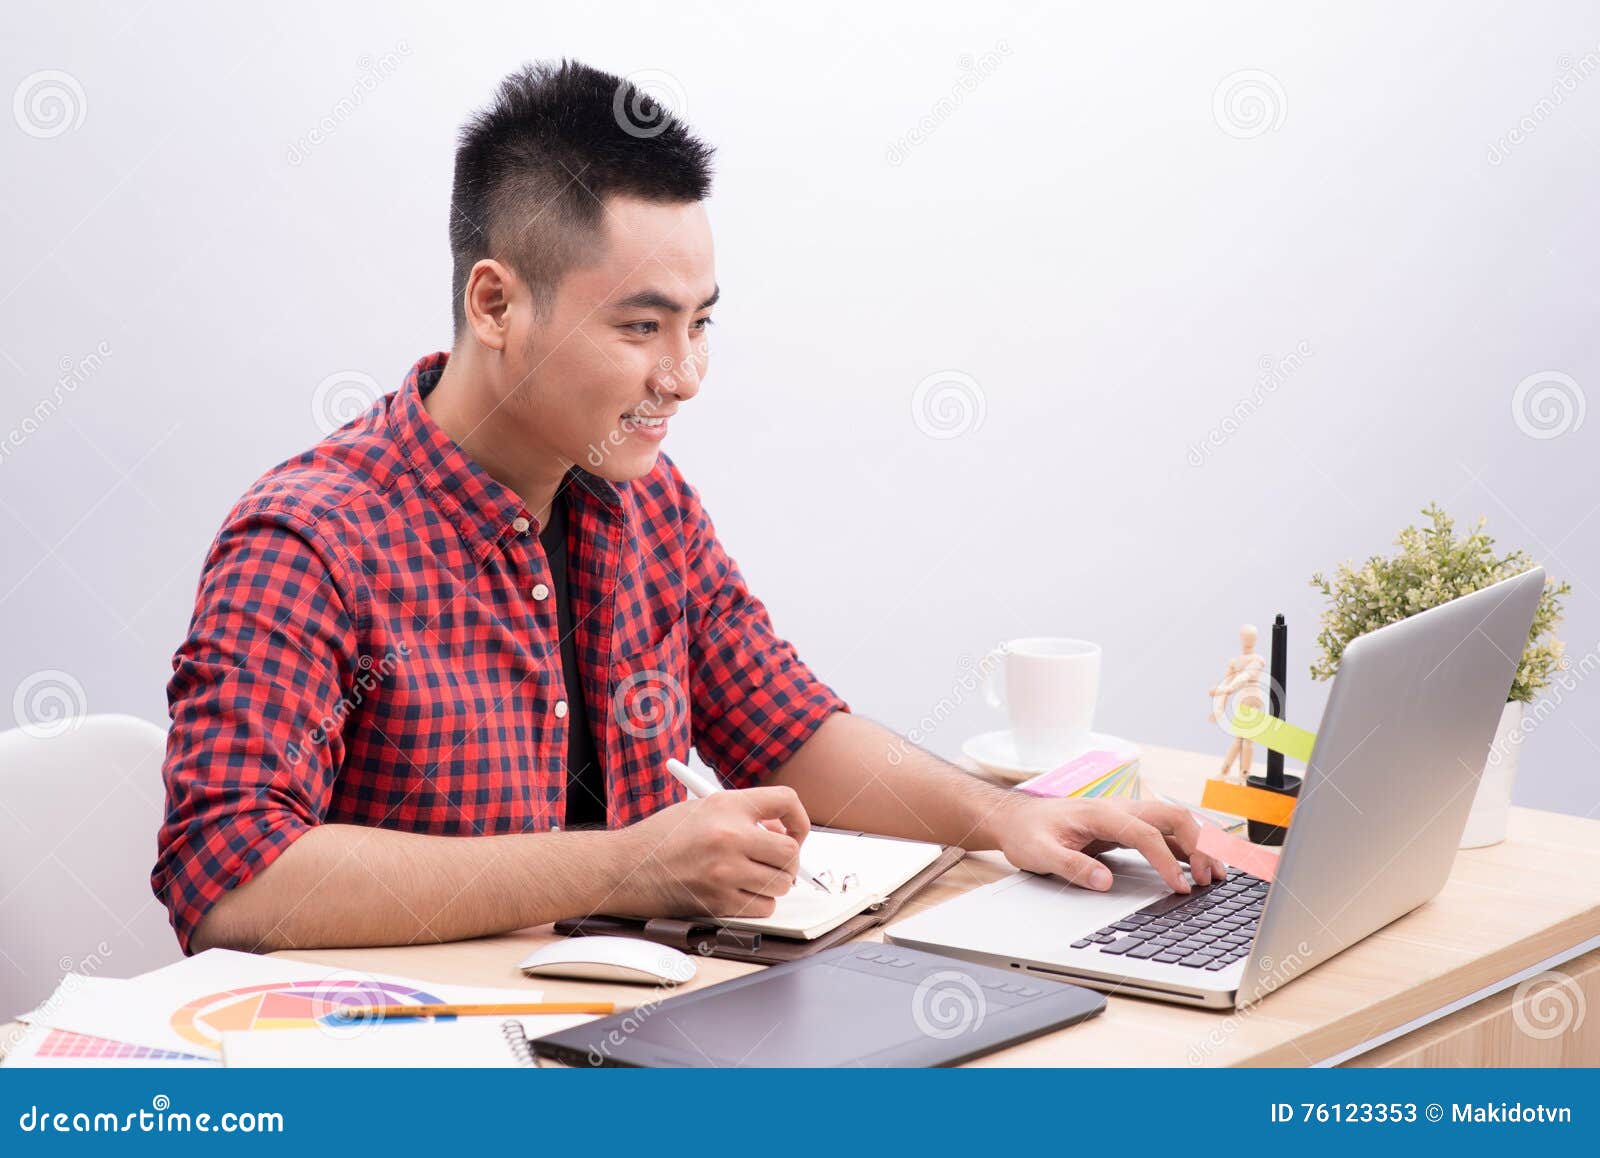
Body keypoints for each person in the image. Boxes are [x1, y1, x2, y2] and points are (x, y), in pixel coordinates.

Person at [151, 59, 1226, 955]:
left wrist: (1011, 818)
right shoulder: (308, 539)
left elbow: (785, 729)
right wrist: (624, 866)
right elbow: (230, 881)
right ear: (495, 304)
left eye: (701, 322)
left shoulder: (645, 504)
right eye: (641, 327)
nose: (685, 376)